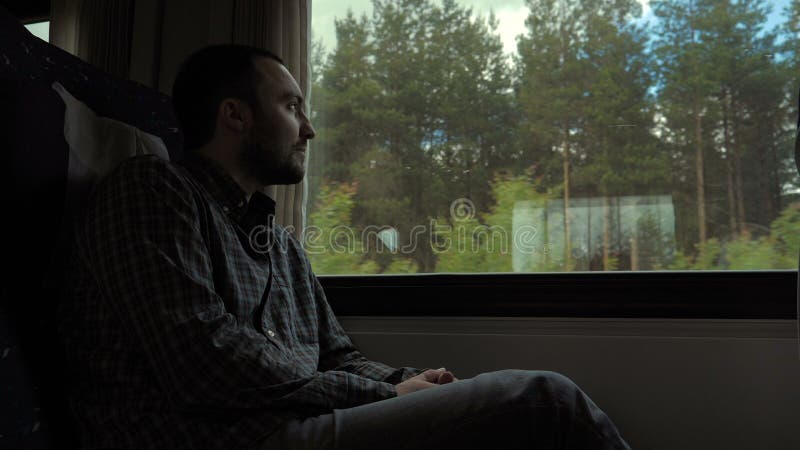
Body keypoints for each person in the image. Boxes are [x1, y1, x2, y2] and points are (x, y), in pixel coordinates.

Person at [59, 44, 631, 450]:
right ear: (235, 114)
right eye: (291, 107)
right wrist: (383, 396)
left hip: (286, 423)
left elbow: (338, 356)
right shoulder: (152, 191)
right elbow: (203, 363)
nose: (308, 129)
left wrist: (408, 380)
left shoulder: (279, 245)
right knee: (545, 400)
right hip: (219, 437)